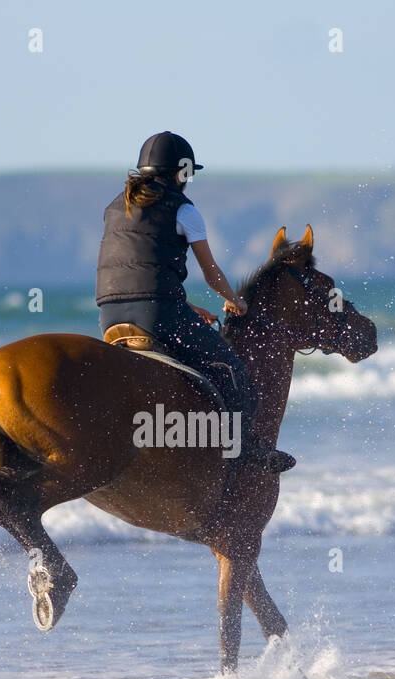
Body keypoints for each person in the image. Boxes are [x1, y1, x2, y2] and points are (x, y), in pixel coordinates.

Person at [95, 131, 295, 473]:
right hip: (157, 313)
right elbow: (211, 273)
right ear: (181, 173)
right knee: (233, 373)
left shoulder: (116, 206)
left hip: (109, 314)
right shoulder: (182, 208)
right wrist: (235, 301)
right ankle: (242, 451)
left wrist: (186, 308)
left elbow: (137, 274)